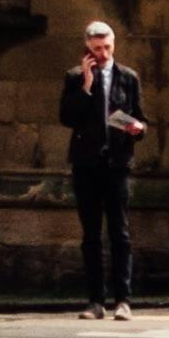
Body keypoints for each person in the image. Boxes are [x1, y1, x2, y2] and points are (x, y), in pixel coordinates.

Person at [60, 19, 145, 313]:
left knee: (120, 233)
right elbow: (68, 118)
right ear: (88, 49)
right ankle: (96, 300)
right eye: (97, 49)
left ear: (114, 45)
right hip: (86, 166)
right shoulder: (74, 78)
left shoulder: (128, 78)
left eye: (107, 47)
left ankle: (124, 300)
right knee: (91, 235)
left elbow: (139, 120)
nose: (103, 54)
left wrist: (135, 127)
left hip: (117, 164)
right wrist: (86, 86)